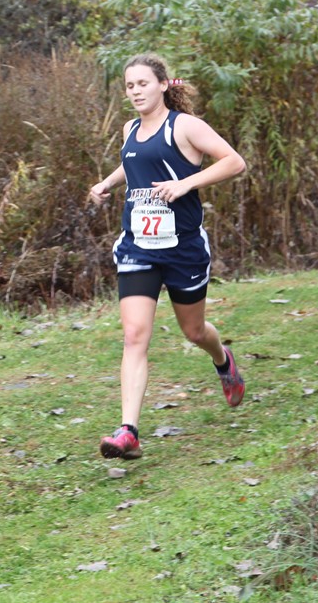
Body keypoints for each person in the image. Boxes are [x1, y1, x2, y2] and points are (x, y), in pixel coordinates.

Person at [88, 54, 248, 460]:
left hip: (183, 248)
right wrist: (107, 181)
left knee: (194, 332)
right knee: (134, 335)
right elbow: (133, 162)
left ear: (162, 84)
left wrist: (186, 184)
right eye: (129, 86)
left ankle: (222, 358)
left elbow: (234, 162)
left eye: (143, 83)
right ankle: (129, 431)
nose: (136, 92)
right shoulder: (129, 129)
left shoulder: (186, 126)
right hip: (138, 246)